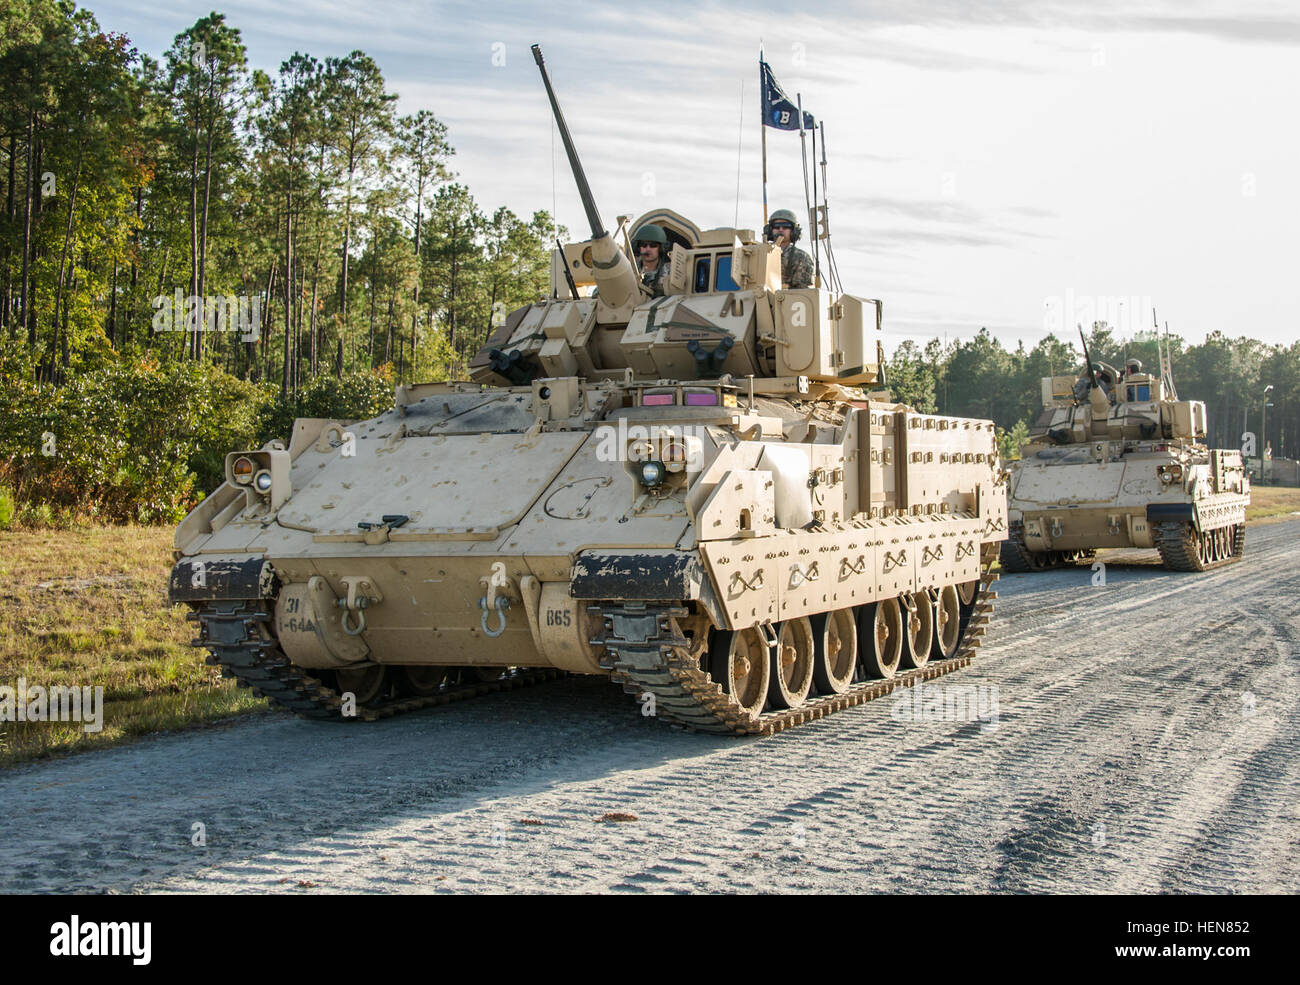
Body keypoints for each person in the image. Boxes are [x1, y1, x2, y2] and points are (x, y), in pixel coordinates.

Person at [764, 209, 813, 289]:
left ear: (794, 231)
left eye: (786, 226)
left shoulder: (801, 257)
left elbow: (802, 290)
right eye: (776, 227)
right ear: (770, 230)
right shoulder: (760, 253)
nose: (780, 229)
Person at [632, 224, 672, 297]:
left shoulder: (670, 272)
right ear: (639, 248)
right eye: (644, 245)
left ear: (660, 248)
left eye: (653, 245)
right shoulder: (631, 272)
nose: (648, 249)